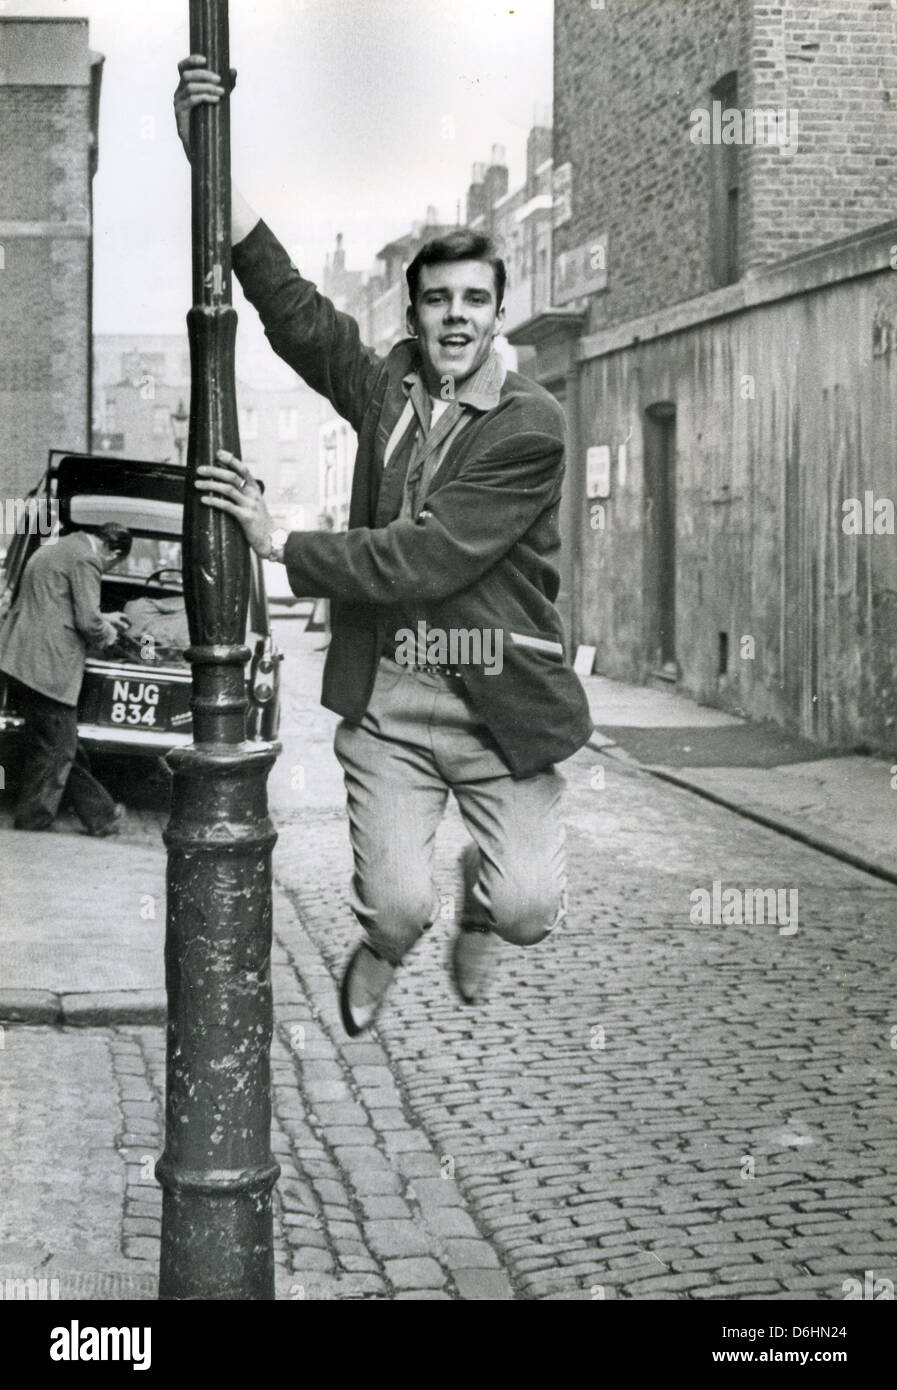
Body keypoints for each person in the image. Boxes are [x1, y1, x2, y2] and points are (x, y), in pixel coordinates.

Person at [174, 57, 594, 1035]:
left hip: (499, 704)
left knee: (532, 906)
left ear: (496, 314)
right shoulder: (388, 398)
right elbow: (301, 318)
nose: (455, 318)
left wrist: (282, 543)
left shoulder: (530, 425)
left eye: (474, 301)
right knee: (397, 906)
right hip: (395, 708)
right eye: (437, 300)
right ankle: (390, 941)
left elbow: (424, 556)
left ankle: (482, 905)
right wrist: (212, 159)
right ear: (414, 315)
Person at [0, 524, 133, 836]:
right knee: (60, 749)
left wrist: (105, 616)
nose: (109, 568)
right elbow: (87, 622)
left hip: (21, 658)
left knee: (54, 745)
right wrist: (110, 632)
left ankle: (102, 815)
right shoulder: (86, 559)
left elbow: (54, 602)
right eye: (114, 564)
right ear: (112, 551)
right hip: (50, 665)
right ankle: (36, 820)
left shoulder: (55, 548)